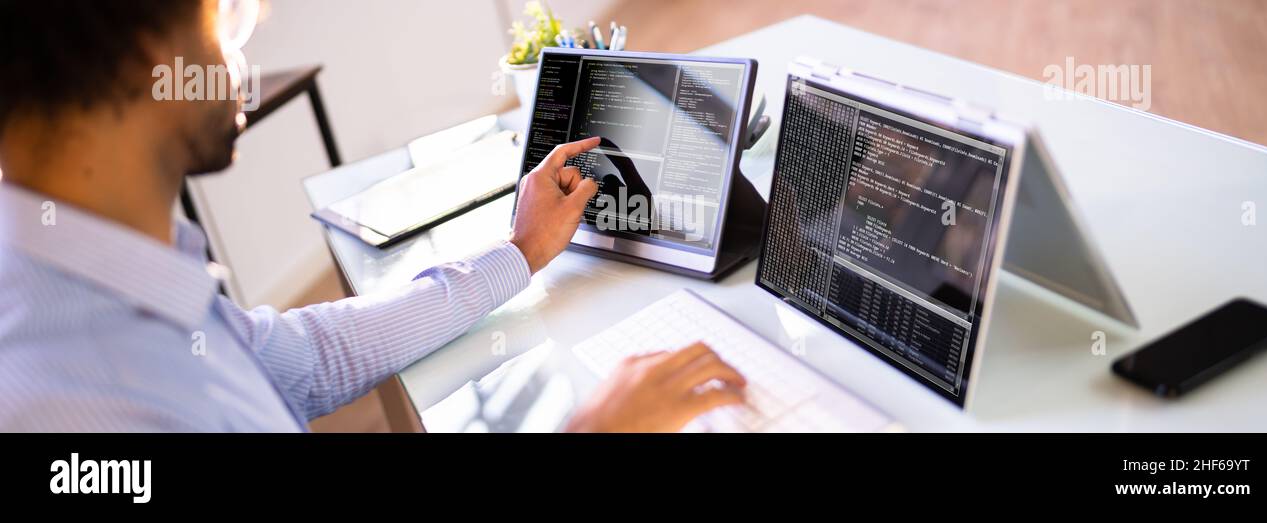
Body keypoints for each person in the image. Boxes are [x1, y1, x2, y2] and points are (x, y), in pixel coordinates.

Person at [0, 0, 747, 432]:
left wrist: (517, 252)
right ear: (139, 50)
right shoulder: (74, 405)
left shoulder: (81, 283)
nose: (253, 23)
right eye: (224, 10)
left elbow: (301, 357)